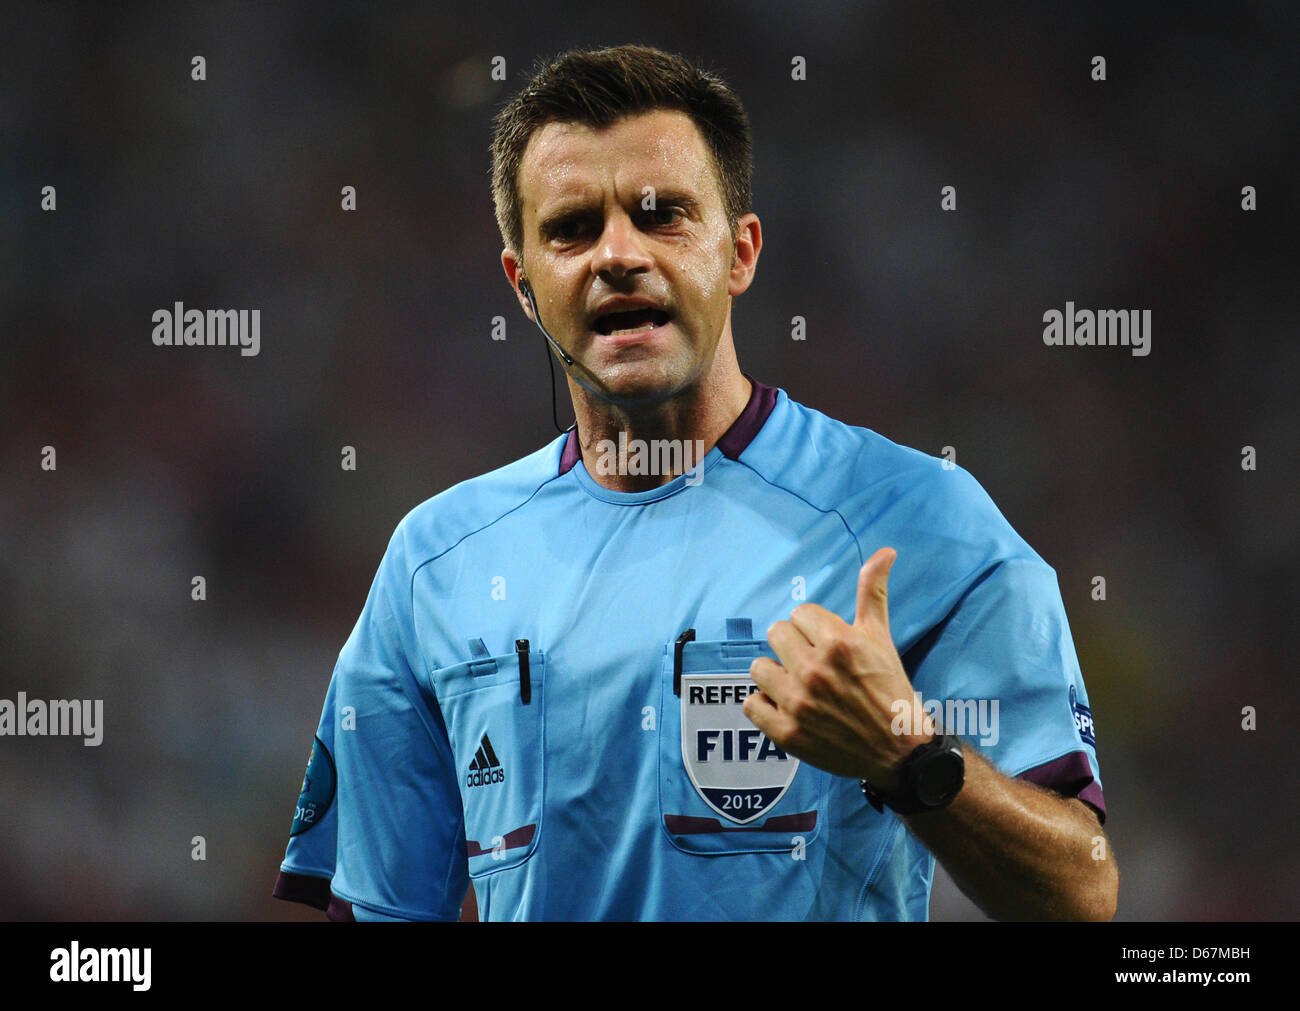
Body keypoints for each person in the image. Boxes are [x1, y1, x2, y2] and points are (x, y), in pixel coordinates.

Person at [273, 43, 1117, 921]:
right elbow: (383, 910)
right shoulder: (434, 564)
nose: (617, 254)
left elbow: (1081, 892)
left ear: (740, 253)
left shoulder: (921, 519)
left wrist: (908, 754)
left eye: (661, 214)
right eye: (570, 229)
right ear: (523, 286)